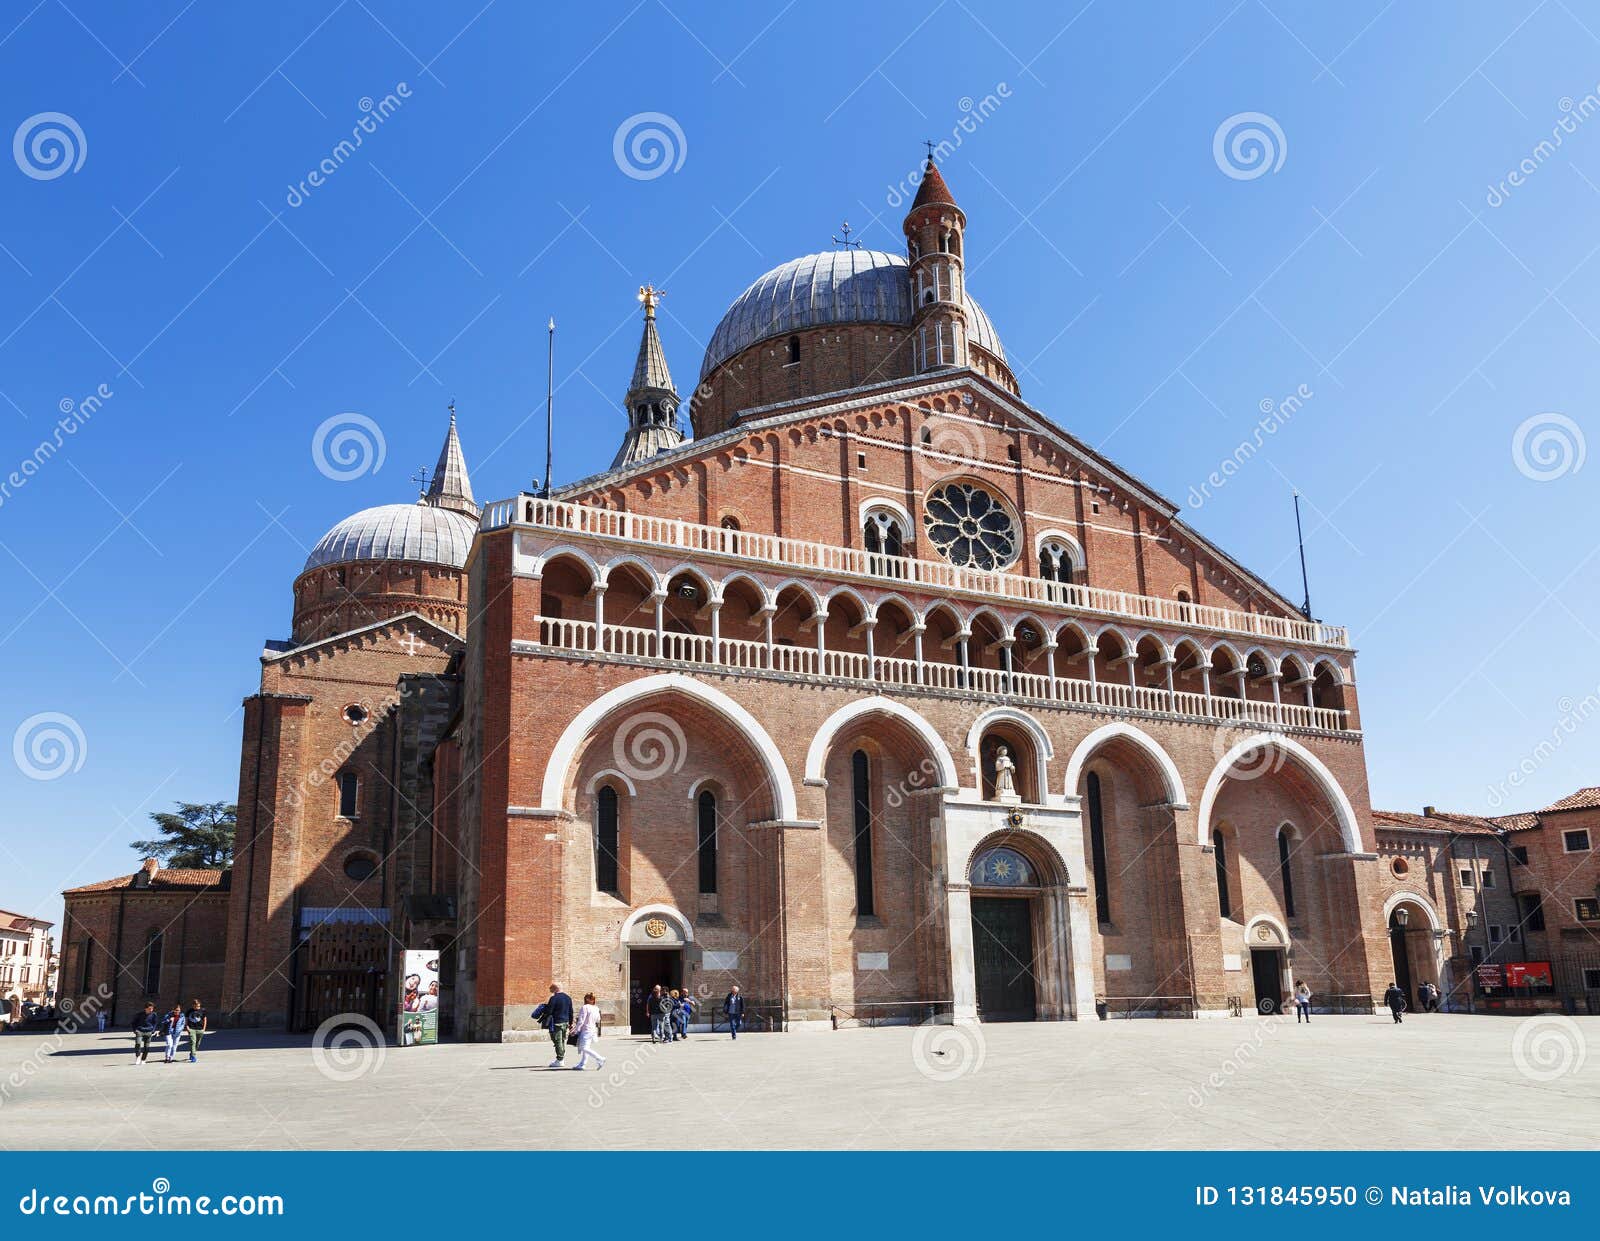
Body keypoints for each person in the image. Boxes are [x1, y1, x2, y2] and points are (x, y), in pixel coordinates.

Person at [532, 983, 573, 1068]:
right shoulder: (568, 998)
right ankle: (560, 1058)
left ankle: (560, 1060)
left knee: (557, 1041)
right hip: (565, 1022)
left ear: (555, 988)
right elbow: (570, 1011)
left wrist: (541, 1018)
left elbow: (549, 1011)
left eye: (551, 989)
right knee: (561, 1041)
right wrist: (571, 1023)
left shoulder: (554, 998)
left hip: (556, 1022)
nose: (550, 990)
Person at [571, 992, 606, 1071]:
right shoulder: (596, 1008)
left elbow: (581, 1021)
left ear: (586, 999)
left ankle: (600, 1058)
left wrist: (576, 1030)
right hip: (592, 1029)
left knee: (583, 1047)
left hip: (586, 1030)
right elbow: (598, 1019)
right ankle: (583, 1064)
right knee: (586, 1047)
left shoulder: (585, 1007)